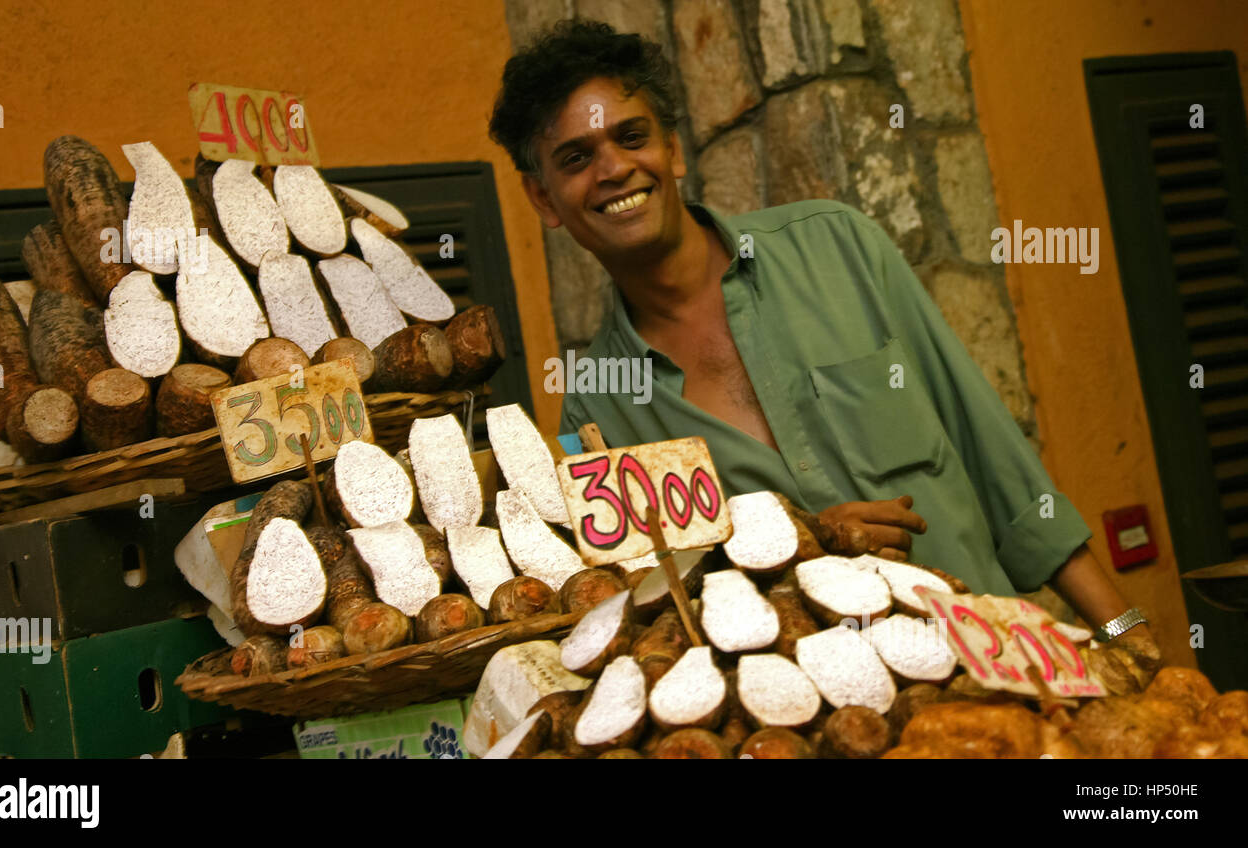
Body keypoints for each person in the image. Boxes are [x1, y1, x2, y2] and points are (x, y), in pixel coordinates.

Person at [488, 19, 1159, 688]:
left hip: (1009, 689)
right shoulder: (595, 418)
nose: (613, 170)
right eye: (575, 158)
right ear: (543, 197)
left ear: (673, 148)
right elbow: (659, 615)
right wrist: (804, 544)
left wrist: (1130, 642)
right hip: (833, 726)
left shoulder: (839, 249)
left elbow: (1002, 468)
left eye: (631, 137)